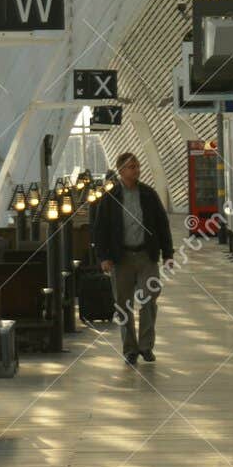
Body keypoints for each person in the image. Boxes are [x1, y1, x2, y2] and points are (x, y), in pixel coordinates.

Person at [93, 153, 174, 363]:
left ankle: (146, 346)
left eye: (137, 166)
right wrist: (104, 257)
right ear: (121, 170)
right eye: (131, 167)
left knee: (149, 299)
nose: (136, 170)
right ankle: (130, 348)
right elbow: (100, 230)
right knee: (124, 304)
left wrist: (168, 254)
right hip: (121, 259)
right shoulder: (110, 198)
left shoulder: (148, 194)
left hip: (146, 256)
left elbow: (162, 224)